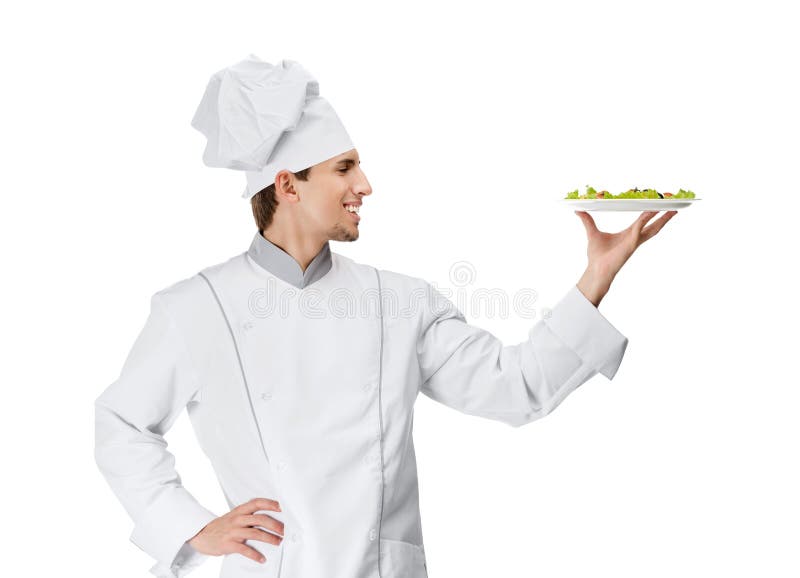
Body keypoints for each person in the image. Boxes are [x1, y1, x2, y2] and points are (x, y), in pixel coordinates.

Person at [94, 55, 677, 578]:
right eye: (344, 168)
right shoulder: (197, 307)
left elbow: (517, 387)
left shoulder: (398, 302)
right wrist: (192, 528)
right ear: (288, 186)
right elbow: (121, 424)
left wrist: (598, 274)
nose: (365, 185)